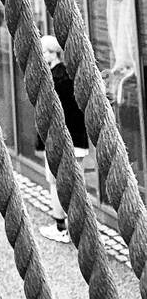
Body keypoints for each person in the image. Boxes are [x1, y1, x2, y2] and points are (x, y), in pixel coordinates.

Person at [35, 34, 89, 243]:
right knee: (76, 184)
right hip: (78, 141)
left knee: (56, 183)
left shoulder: (53, 82)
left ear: (50, 54)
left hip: (61, 142)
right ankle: (80, 228)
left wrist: (42, 144)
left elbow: (49, 117)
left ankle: (60, 228)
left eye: (42, 53)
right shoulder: (71, 76)